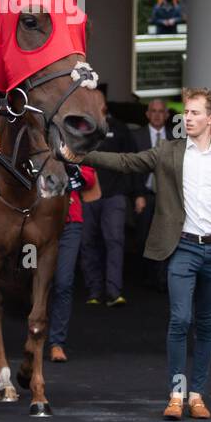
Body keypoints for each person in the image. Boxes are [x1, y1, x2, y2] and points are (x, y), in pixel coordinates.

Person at [62, 87, 211, 421]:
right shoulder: (167, 152)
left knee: (205, 325)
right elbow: (127, 162)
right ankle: (176, 393)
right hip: (183, 246)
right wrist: (81, 155)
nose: (187, 118)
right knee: (180, 320)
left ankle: (197, 394)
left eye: (195, 113)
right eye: (185, 113)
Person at [80, 102, 145, 307]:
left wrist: (138, 194)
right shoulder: (78, 127)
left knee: (114, 241)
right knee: (88, 243)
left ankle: (113, 292)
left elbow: (133, 161)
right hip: (87, 193)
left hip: (114, 194)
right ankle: (94, 290)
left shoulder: (119, 128)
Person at [48, 162, 97, 363]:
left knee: (64, 283)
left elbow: (90, 177)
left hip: (70, 224)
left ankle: (56, 342)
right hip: (38, 221)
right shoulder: (35, 137)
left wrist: (70, 165)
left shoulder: (71, 142)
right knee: (33, 279)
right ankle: (33, 334)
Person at [133, 98, 175, 292]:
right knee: (144, 237)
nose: (157, 114)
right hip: (146, 194)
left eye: (161, 111)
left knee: (166, 236)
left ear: (166, 115)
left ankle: (162, 278)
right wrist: (138, 194)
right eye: (154, 111)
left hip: (168, 196)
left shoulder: (175, 138)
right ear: (147, 114)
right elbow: (131, 167)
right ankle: (147, 277)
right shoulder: (137, 136)